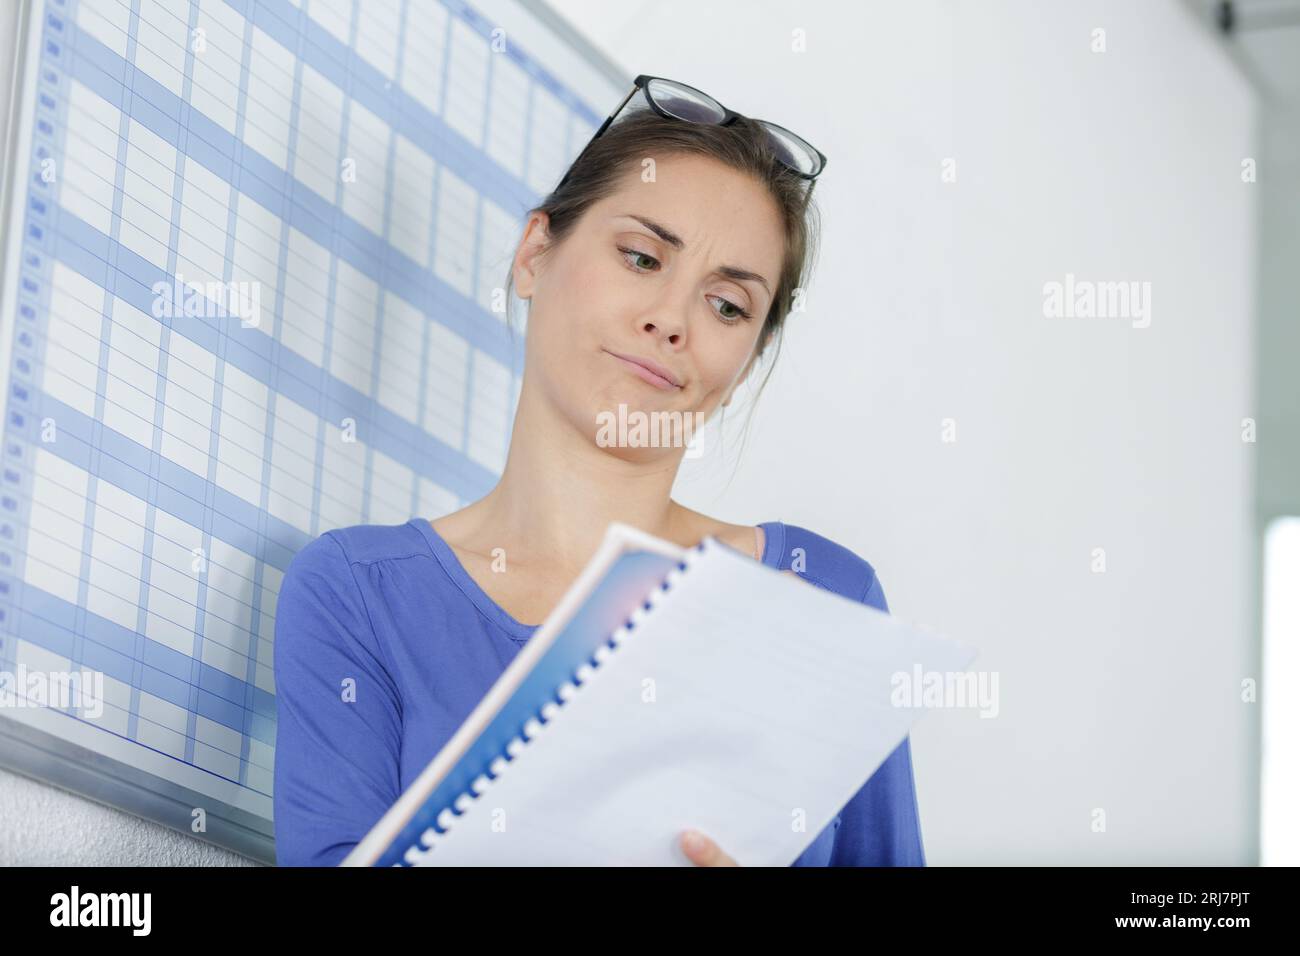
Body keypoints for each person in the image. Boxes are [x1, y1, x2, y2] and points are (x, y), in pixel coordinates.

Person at [273, 77, 924, 867]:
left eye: (728, 306)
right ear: (534, 253)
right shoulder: (357, 595)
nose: (673, 320)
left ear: (747, 360)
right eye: (643, 256)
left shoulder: (823, 598)